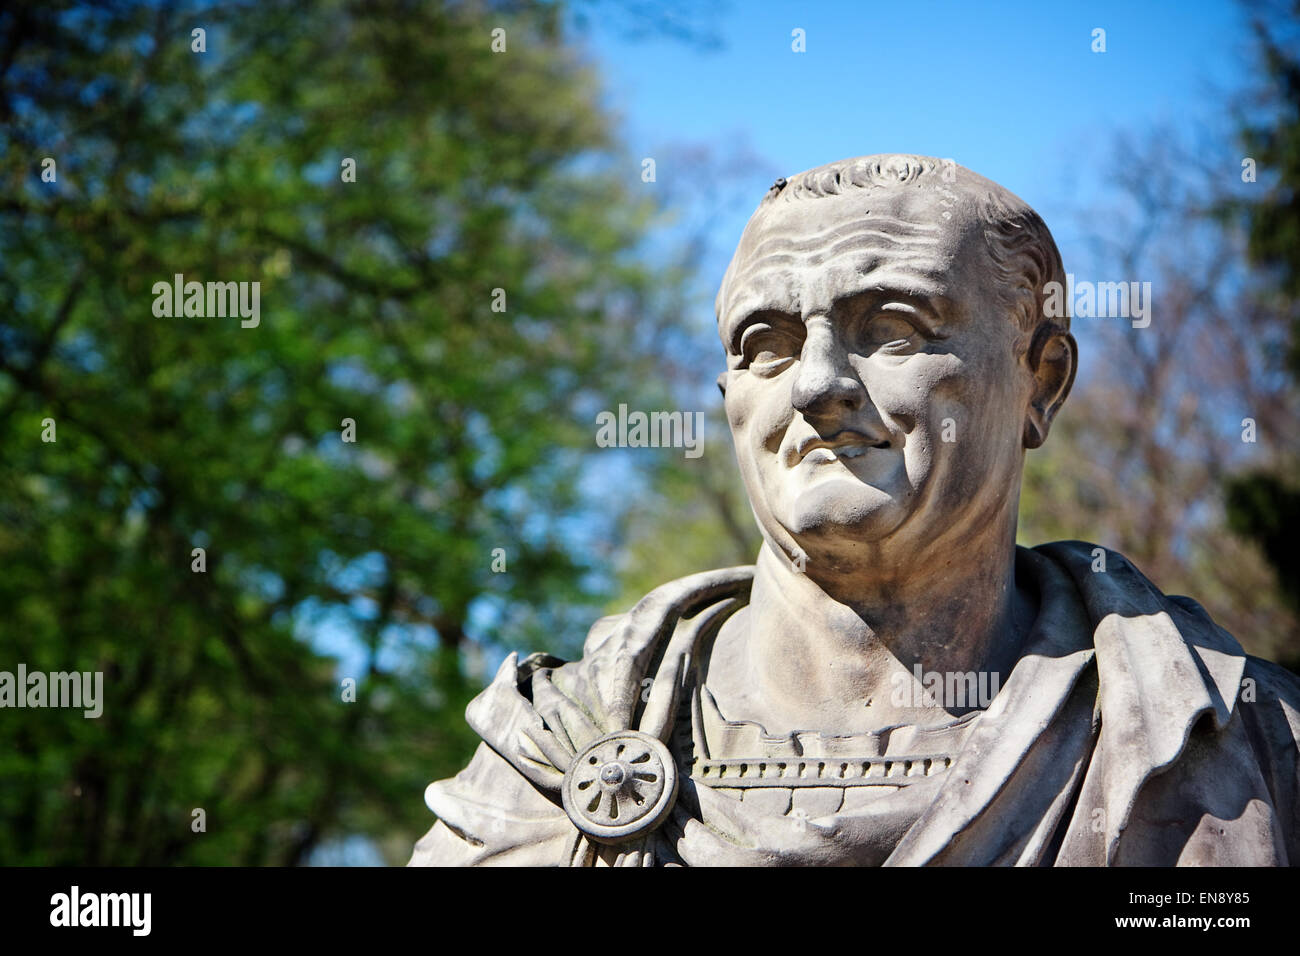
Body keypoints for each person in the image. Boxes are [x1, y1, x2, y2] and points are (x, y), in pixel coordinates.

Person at [409, 154, 1300, 866]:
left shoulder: (1236, 740)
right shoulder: (551, 757)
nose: (817, 385)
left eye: (895, 329)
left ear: (1043, 381)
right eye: (768, 344)